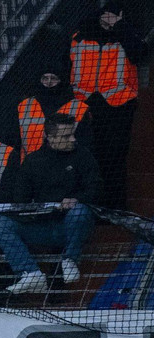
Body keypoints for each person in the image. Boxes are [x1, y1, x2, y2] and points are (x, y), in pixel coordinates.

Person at [0, 113, 100, 294]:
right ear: (50, 138)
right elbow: (20, 200)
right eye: (66, 136)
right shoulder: (33, 161)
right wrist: (35, 210)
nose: (72, 139)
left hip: (71, 226)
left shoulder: (83, 156)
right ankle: (31, 273)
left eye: (73, 134)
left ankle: (70, 260)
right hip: (41, 226)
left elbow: (96, 189)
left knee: (80, 211)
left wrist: (76, 199)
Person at [69, 2, 146, 208]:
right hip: (85, 105)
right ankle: (92, 205)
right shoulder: (80, 35)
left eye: (114, 15)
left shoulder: (128, 34)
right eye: (106, 14)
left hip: (119, 105)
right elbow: (67, 65)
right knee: (88, 157)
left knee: (115, 157)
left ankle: (115, 206)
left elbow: (140, 54)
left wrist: (120, 27)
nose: (109, 18)